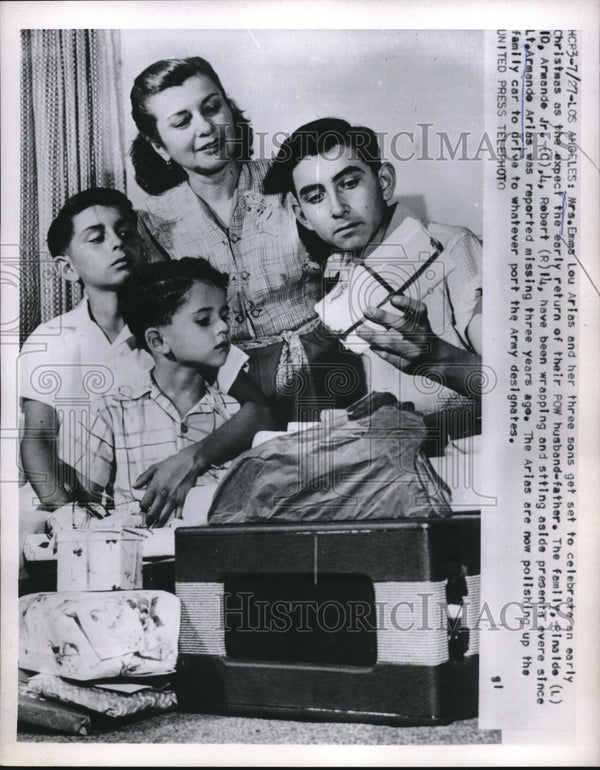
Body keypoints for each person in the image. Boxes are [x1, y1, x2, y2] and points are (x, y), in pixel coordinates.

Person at [129, 57, 366, 423]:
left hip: (329, 370)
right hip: (228, 394)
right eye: (182, 121)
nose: (206, 128)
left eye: (212, 108)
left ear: (229, 109)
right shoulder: (149, 224)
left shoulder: (292, 179)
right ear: (158, 145)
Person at [19, 188, 266, 532]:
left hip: (167, 496)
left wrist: (191, 458)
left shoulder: (187, 329)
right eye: (96, 238)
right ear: (67, 268)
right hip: (71, 497)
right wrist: (70, 515)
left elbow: (258, 410)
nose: (117, 244)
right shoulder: (51, 339)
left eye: (125, 232)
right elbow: (38, 439)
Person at [263, 117, 483, 423]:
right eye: (316, 197)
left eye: (349, 183)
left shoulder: (455, 246)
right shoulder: (336, 283)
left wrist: (438, 357)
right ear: (303, 216)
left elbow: (524, 388)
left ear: (384, 181)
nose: (337, 207)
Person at [75, 258, 276, 527]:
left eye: (224, 316)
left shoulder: (232, 413)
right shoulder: (110, 413)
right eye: (204, 320)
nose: (223, 327)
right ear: (158, 341)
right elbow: (85, 509)